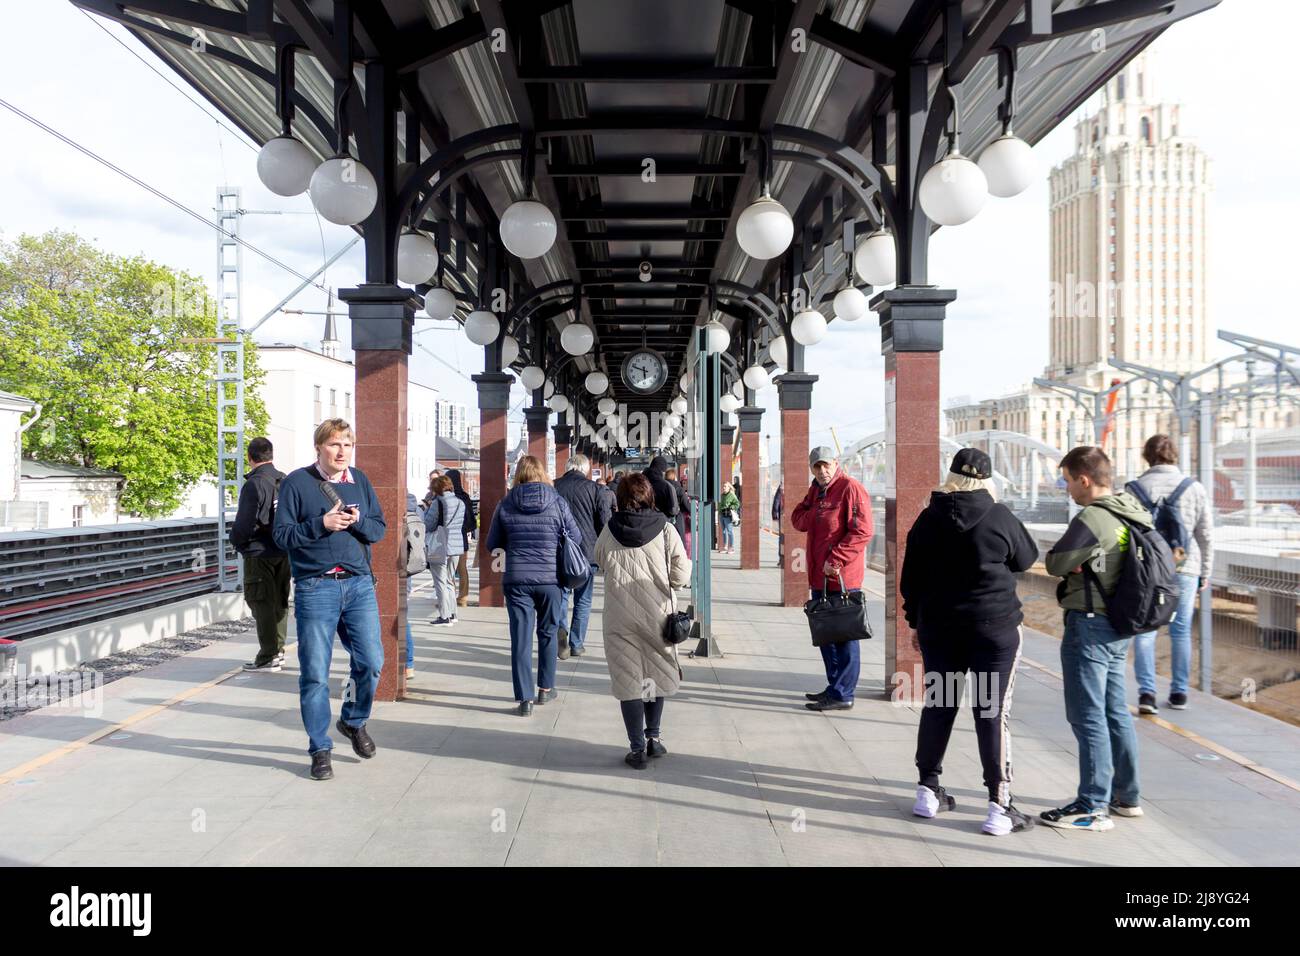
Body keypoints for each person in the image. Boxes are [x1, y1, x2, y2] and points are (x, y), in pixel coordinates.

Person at [900, 449, 1039, 837]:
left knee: (940, 704)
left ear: (951, 476)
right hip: (993, 632)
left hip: (940, 632)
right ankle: (999, 806)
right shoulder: (999, 515)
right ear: (987, 480)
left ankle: (927, 790)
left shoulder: (927, 519)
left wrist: (916, 622)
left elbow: (910, 581)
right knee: (992, 712)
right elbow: (1027, 558)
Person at [1041, 446, 1150, 831]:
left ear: (1083, 479)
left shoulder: (1093, 517)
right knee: (1114, 711)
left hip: (1090, 625)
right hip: (1120, 624)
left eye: (1068, 480)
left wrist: (1077, 561)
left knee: (1087, 715)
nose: (1068, 489)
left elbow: (1056, 562)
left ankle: (1091, 804)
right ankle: (1127, 796)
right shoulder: (1131, 510)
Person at [272, 419, 386, 782]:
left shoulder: (361, 481)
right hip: (315, 587)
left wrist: (355, 522)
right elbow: (282, 536)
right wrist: (320, 525)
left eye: (348, 445)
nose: (342, 452)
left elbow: (379, 529)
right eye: (335, 445)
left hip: (358, 584)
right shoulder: (296, 483)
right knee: (315, 673)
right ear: (319, 447)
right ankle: (320, 748)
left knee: (370, 661)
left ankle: (353, 720)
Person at [595, 473, 692, 769]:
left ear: (621, 498)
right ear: (649, 495)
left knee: (629, 681)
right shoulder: (665, 529)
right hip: (657, 615)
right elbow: (680, 576)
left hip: (620, 616)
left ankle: (636, 749)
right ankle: (654, 739)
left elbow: (599, 560)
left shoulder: (610, 530)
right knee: (653, 675)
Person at [486, 455, 582, 716]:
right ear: (542, 474)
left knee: (520, 638)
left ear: (518, 475)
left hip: (517, 580)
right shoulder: (557, 502)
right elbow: (576, 536)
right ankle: (545, 689)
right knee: (548, 633)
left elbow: (492, 543)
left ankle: (524, 699)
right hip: (550, 580)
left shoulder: (506, 503)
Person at [1127, 434, 1214, 714]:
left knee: (1145, 629)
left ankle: (1147, 694)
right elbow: (1205, 535)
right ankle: (1179, 693)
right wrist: (1204, 572)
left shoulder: (1133, 488)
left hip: (1147, 569)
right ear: (1175, 455)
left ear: (1146, 456)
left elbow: (1126, 535)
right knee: (1180, 631)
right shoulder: (1194, 488)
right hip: (1184, 567)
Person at [791, 446, 873, 712]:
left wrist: (836, 559)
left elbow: (862, 531)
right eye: (817, 466)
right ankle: (834, 687)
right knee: (826, 635)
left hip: (841, 576)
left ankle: (843, 693)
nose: (822, 471)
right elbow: (798, 521)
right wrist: (812, 510)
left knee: (846, 636)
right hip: (819, 576)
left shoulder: (851, 488)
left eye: (826, 465)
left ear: (836, 463)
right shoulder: (816, 490)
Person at [230, 437, 289, 672]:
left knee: (262, 602)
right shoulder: (285, 481)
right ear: (271, 455)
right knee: (281, 602)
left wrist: (237, 542)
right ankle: (279, 651)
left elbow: (245, 523)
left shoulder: (254, 484)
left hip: (259, 552)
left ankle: (267, 656)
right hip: (284, 551)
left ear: (250, 457)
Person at [554, 453, 613, 659]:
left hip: (559, 552)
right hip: (587, 553)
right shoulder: (595, 489)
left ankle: (560, 633)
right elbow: (605, 522)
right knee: (583, 600)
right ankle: (577, 644)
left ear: (569, 467)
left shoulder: (554, 486)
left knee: (561, 596)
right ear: (586, 469)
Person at [424, 475, 465, 627]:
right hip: (456, 545)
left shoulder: (437, 502)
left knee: (440, 581)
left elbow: (429, 524)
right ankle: (453, 613)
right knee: (449, 581)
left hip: (440, 544)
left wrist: (427, 510)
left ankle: (444, 616)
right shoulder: (460, 503)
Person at [445, 468, 477, 607]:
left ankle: (449, 598)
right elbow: (471, 521)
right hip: (462, 537)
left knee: (448, 569)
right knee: (462, 568)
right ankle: (463, 598)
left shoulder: (447, 498)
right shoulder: (465, 497)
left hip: (448, 537)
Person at [643, 456, 682, 523]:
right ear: (662, 470)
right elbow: (673, 510)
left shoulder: (639, 483)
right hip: (660, 523)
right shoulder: (666, 486)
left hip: (642, 522)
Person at [664, 466, 691, 548]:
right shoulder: (679, 489)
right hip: (678, 517)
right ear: (674, 477)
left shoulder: (662, 487)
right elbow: (687, 505)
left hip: (664, 517)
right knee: (679, 541)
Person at [718, 481, 740, 554]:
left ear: (729, 487)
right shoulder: (722, 495)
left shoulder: (731, 495)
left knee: (729, 531)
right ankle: (725, 546)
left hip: (728, 515)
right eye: (723, 486)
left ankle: (731, 547)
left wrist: (732, 507)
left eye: (725, 486)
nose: (723, 488)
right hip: (722, 515)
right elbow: (719, 505)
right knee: (723, 531)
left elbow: (737, 503)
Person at [772, 483, 785, 569]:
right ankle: (782, 558)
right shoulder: (782, 486)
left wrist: (775, 513)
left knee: (782, 539)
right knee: (783, 539)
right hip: (787, 516)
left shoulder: (781, 486)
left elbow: (776, 501)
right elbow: (776, 501)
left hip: (783, 515)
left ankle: (782, 559)